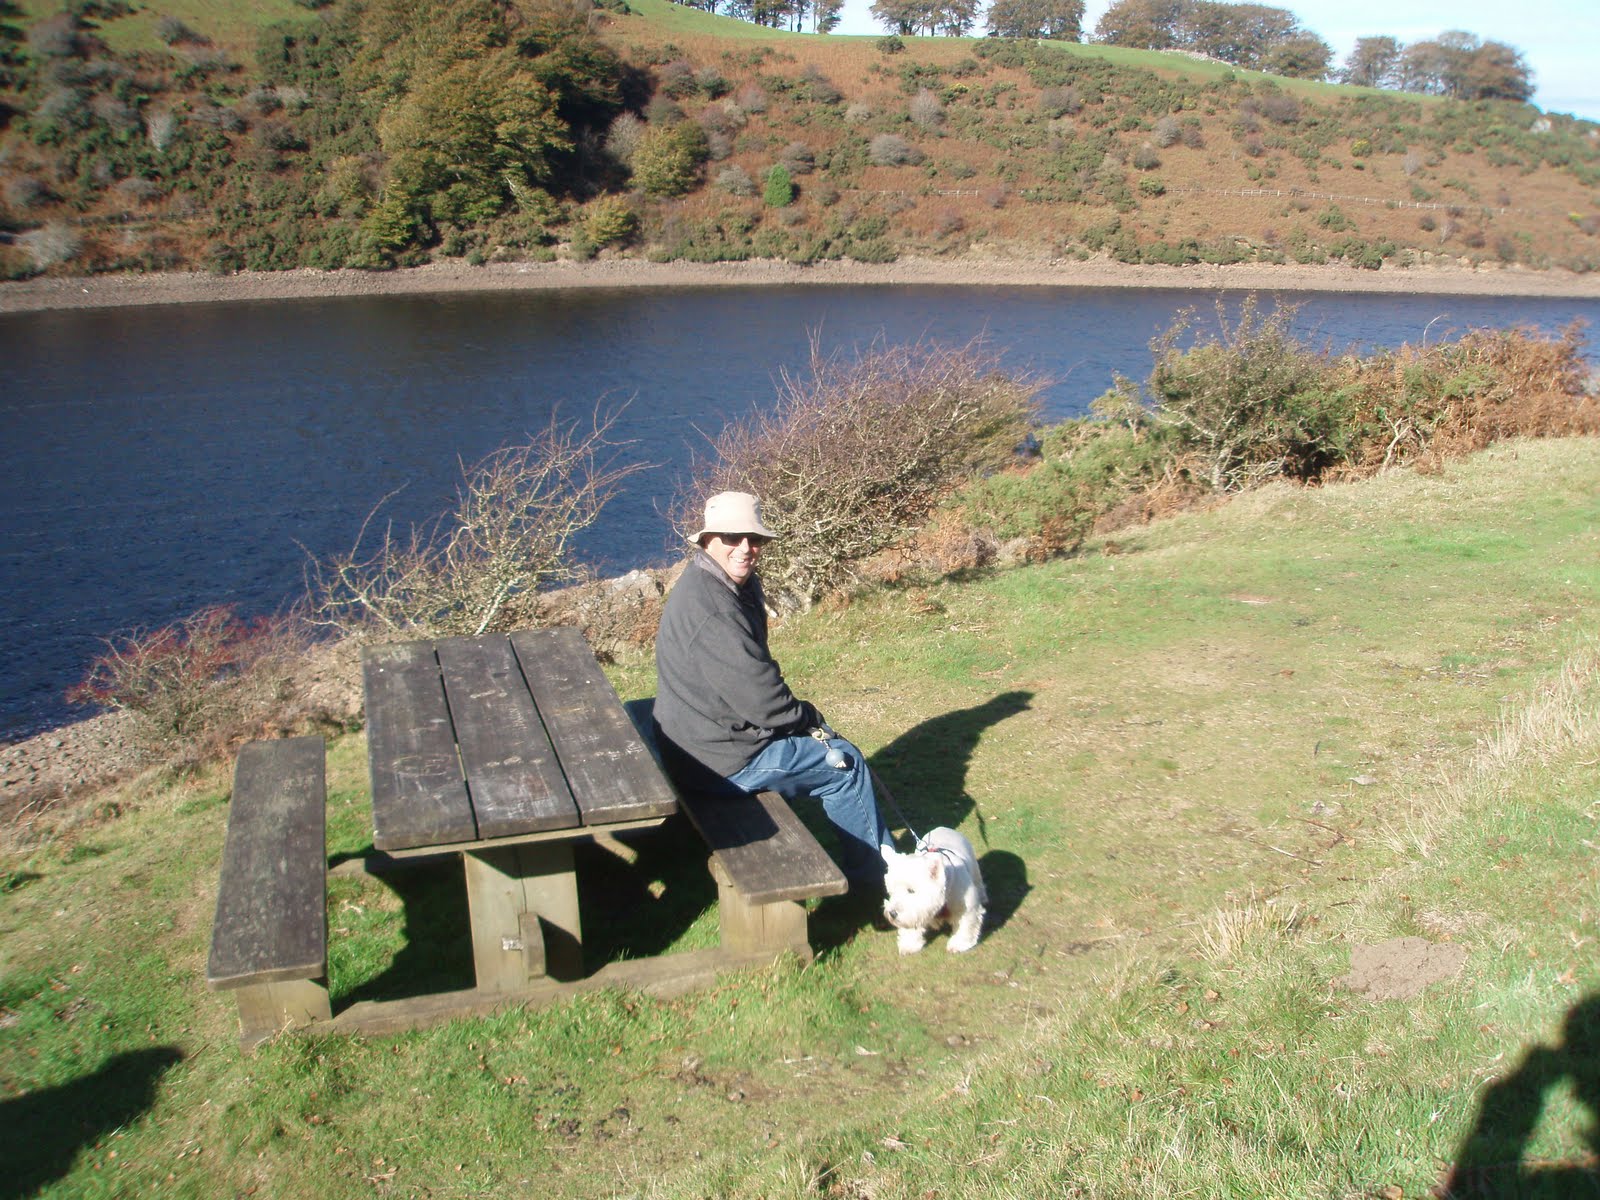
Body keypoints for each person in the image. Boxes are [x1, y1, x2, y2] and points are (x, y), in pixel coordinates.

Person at [652, 490, 893, 887]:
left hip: (699, 737)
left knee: (828, 750)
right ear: (708, 539)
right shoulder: (710, 608)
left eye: (755, 539)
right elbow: (764, 703)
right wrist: (807, 718)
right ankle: (882, 882)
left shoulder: (726, 582)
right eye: (732, 537)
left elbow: (753, 674)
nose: (746, 549)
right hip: (717, 760)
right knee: (844, 763)